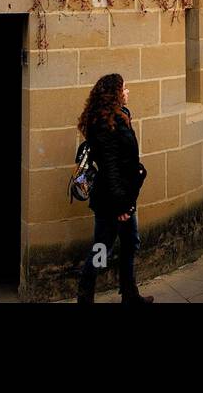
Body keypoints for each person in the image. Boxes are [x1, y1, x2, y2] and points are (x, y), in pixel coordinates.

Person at [76, 74, 152, 304]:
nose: (128, 92)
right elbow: (110, 168)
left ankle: (130, 294)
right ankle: (85, 296)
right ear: (115, 94)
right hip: (114, 200)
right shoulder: (104, 123)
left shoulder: (118, 116)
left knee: (130, 243)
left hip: (123, 196)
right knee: (102, 249)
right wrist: (122, 206)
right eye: (124, 89)